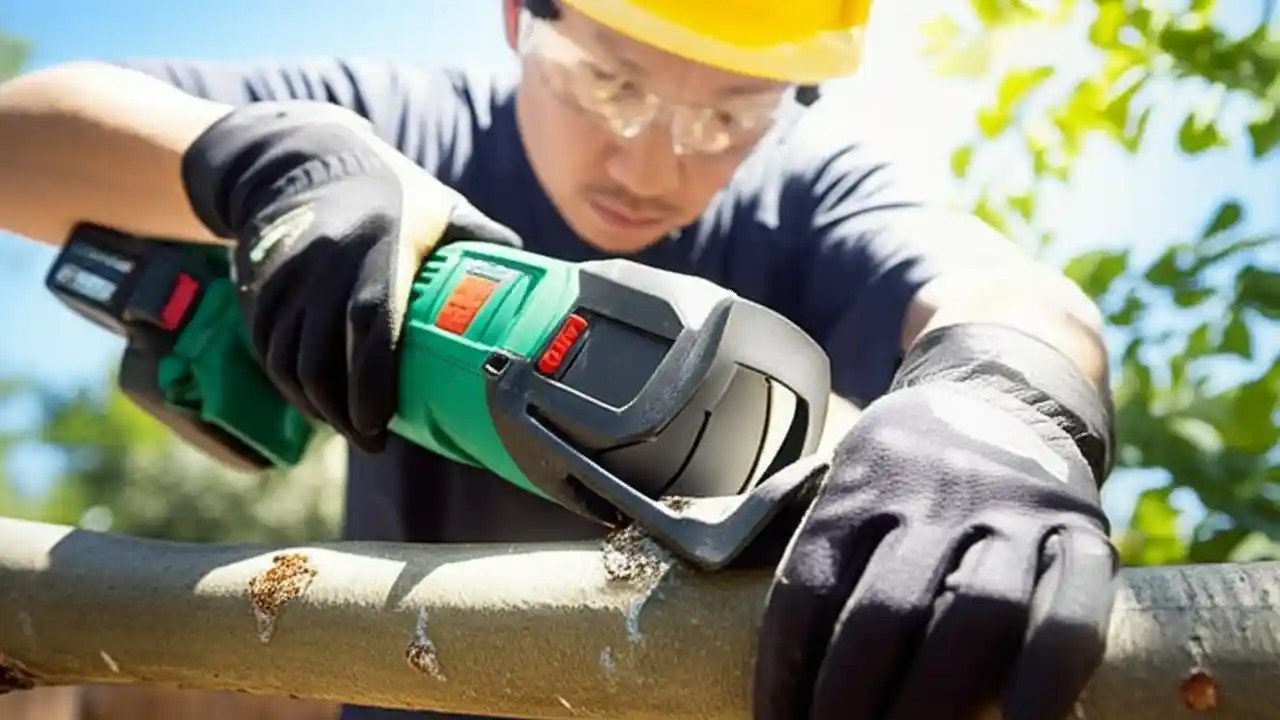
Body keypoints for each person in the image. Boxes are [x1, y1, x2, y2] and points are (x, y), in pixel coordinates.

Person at [0, 1, 1121, 718]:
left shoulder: (810, 199)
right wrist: (264, 164)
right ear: (516, 17)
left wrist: (995, 406)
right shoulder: (400, 131)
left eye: (729, 117)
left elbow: (1013, 293)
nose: (652, 157)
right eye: (609, 81)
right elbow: (21, 139)